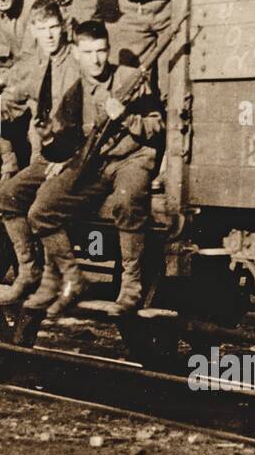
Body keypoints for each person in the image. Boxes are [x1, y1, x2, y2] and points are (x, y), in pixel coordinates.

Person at [22, 19, 163, 316]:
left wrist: (125, 118)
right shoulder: (77, 90)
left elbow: (156, 125)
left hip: (131, 159)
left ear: (108, 50)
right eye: (88, 52)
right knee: (41, 210)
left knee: (127, 201)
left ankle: (131, 288)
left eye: (101, 51)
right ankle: (73, 277)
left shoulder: (131, 79)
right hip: (95, 163)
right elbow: (63, 140)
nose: (96, 59)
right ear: (76, 53)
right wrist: (48, 138)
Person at [0, 0, 83, 305]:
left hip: (77, 155)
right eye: (43, 30)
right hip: (47, 157)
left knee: (41, 207)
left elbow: (90, 118)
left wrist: (69, 156)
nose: (50, 36)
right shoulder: (38, 65)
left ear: (64, 27)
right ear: (34, 32)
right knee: (6, 195)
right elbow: (15, 99)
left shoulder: (77, 63)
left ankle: (64, 278)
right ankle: (29, 270)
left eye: (54, 28)